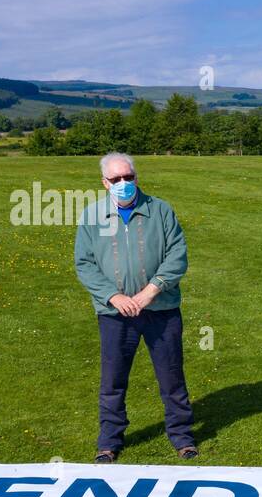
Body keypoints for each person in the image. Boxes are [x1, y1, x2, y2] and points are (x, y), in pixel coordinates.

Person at [74, 152, 196, 463]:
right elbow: (84, 264)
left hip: (161, 309)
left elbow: (177, 256)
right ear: (104, 183)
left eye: (128, 177)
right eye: (116, 179)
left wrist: (149, 293)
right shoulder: (92, 217)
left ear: (136, 177)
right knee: (113, 380)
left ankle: (182, 437)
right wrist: (113, 297)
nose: (123, 183)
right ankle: (109, 441)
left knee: (171, 377)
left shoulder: (161, 211)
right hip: (115, 314)